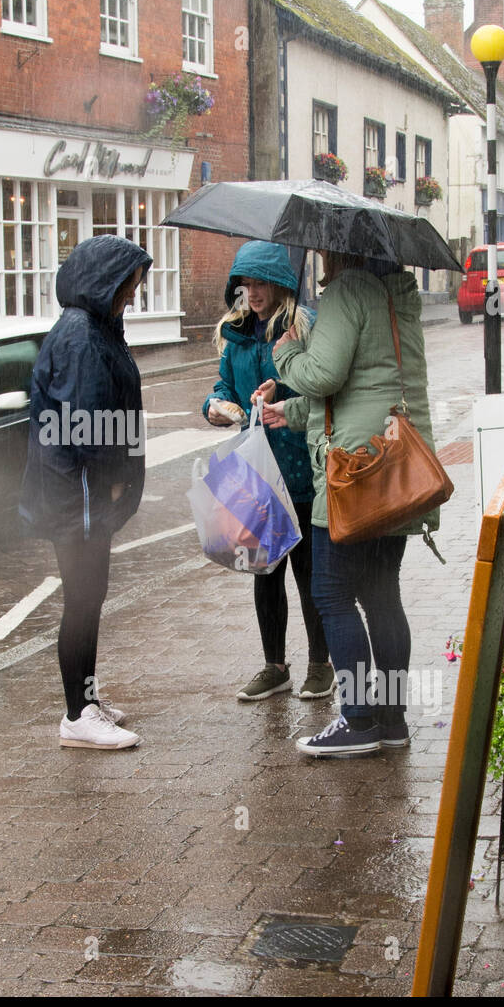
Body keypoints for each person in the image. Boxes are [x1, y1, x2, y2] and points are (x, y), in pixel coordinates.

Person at [262, 251, 439, 758]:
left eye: (322, 249)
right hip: (395, 464)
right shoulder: (397, 296)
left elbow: (323, 376)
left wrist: (288, 351)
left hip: (353, 472)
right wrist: (291, 413)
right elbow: (368, 382)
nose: (318, 258)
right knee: (382, 595)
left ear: (340, 248)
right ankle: (391, 721)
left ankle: (358, 720)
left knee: (331, 592)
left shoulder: (346, 291)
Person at [19, 234, 151, 750]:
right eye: (130, 285)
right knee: (82, 598)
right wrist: (114, 474)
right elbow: (87, 421)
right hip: (77, 494)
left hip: (82, 493)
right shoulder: (81, 337)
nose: (134, 295)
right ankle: (76, 714)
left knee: (90, 597)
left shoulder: (96, 327)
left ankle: (87, 699)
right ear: (107, 283)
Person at [202, 241, 333, 703]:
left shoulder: (304, 327)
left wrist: (283, 387)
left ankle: (321, 664)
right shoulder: (235, 333)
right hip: (253, 471)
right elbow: (221, 386)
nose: (252, 293)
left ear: (280, 284)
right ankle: (274, 666)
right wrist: (215, 406)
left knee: (309, 572)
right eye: (246, 284)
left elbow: (322, 384)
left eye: (260, 284)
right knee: (265, 570)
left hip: (300, 467)